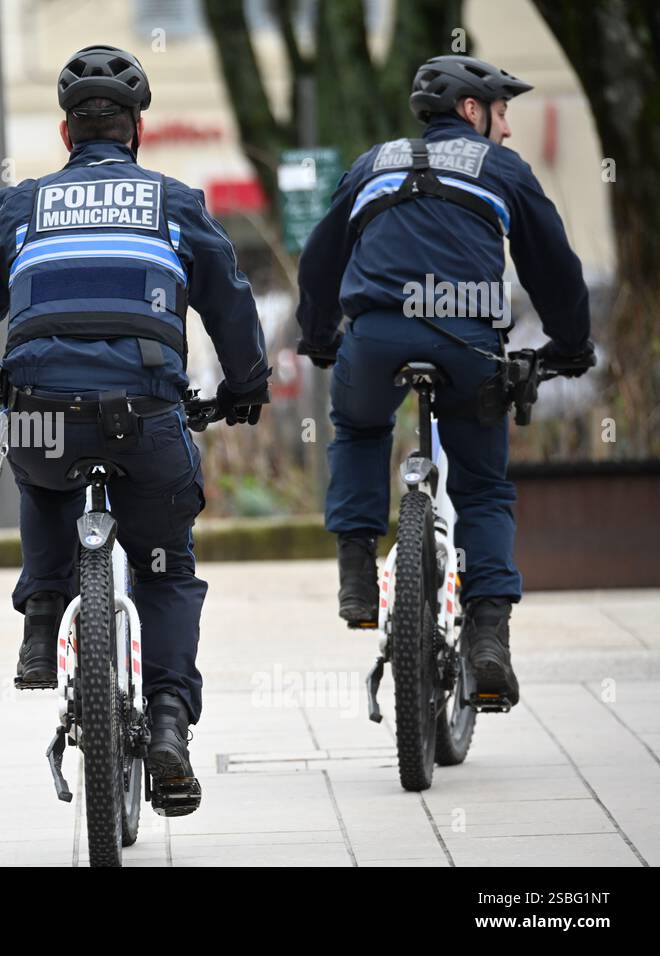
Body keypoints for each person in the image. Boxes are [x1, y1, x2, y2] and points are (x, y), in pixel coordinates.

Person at [0, 45, 269, 814]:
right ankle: (168, 728)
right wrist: (244, 388)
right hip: (146, 424)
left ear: (65, 134)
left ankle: (41, 617)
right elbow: (231, 300)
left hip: (43, 422)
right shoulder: (175, 202)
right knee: (163, 569)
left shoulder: (23, 206)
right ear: (137, 132)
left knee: (41, 473)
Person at [295, 55, 595, 707]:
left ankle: (356, 574)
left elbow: (321, 261)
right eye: (502, 112)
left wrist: (318, 336)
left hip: (376, 336)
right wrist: (571, 346)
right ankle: (488, 637)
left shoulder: (373, 162)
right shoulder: (504, 169)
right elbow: (555, 269)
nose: (508, 130)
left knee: (361, 428)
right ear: (471, 110)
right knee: (483, 488)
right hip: (468, 343)